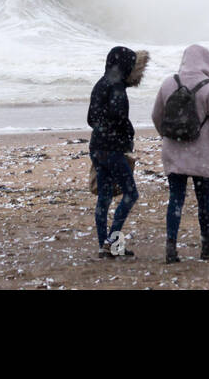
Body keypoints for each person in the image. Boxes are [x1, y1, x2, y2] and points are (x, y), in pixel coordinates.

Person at [151, 44, 209, 263]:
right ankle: (207, 245)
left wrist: (167, 136)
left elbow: (156, 115)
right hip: (201, 151)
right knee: (204, 199)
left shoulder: (168, 83)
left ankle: (171, 248)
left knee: (175, 199)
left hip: (172, 150)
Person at [87, 45, 146, 258]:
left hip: (97, 148)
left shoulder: (100, 84)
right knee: (131, 193)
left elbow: (91, 119)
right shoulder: (118, 88)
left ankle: (106, 244)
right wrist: (127, 132)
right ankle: (113, 240)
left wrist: (103, 132)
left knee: (104, 197)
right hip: (112, 150)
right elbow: (120, 119)